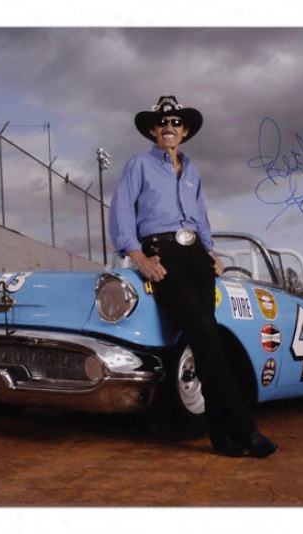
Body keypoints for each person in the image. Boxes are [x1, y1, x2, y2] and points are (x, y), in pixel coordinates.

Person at [108, 95, 278, 458]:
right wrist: (139, 257)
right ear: (153, 131)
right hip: (161, 254)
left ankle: (224, 438)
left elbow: (200, 215)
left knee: (207, 339)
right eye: (162, 123)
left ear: (184, 131)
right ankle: (244, 430)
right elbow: (122, 210)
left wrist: (211, 252)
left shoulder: (193, 170)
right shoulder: (138, 164)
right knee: (204, 333)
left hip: (196, 257)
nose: (169, 128)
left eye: (175, 123)